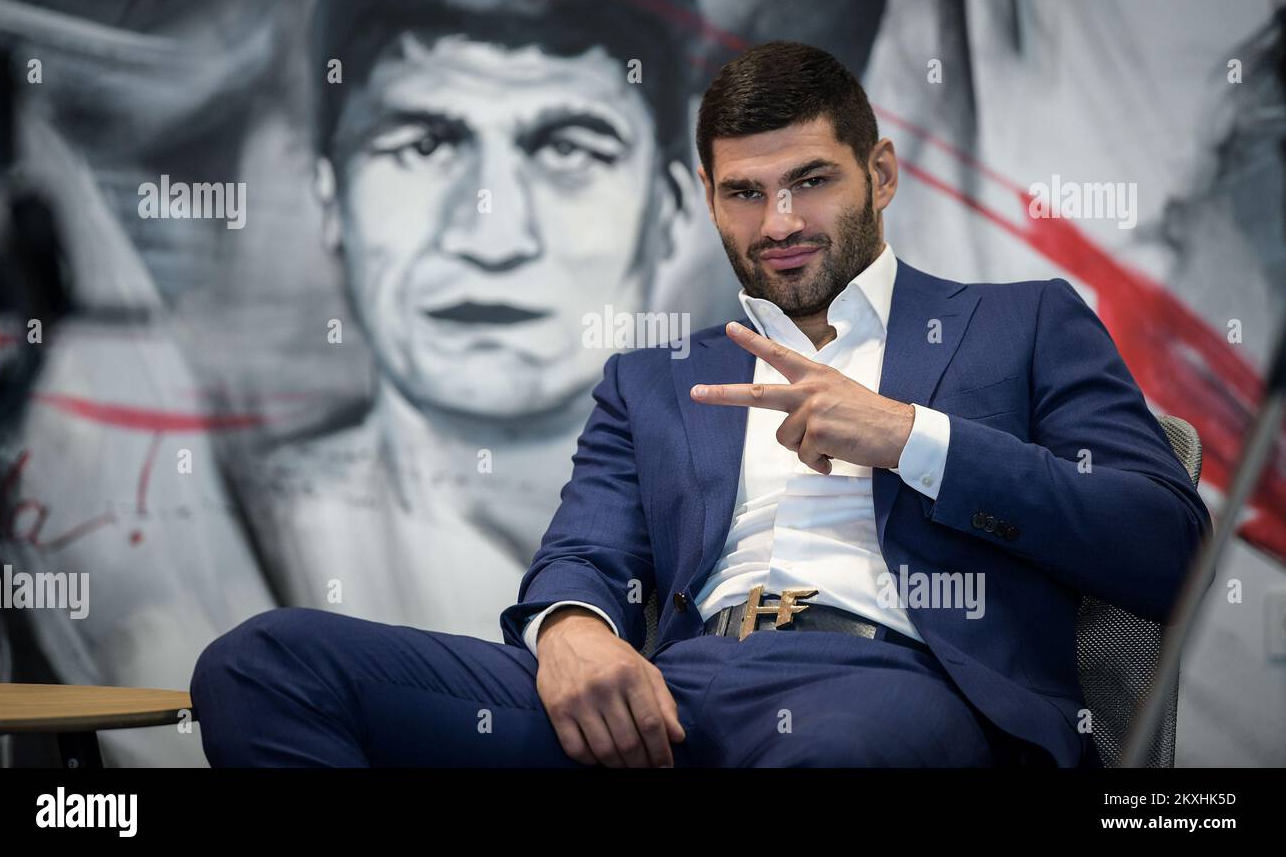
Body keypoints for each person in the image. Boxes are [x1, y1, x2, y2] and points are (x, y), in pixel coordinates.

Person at [191, 41, 1209, 767]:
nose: (780, 222)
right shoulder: (653, 376)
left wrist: (911, 437)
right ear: (704, 198)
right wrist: (571, 628)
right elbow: (585, 552)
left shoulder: (1021, 321)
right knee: (266, 665)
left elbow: (1162, 546)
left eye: (811, 181)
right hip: (666, 700)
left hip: (897, 690)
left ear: (881, 174)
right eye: (744, 192)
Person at [231, 0, 711, 641]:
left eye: (568, 149)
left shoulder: (763, 520)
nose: (491, 236)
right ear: (330, 198)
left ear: (673, 209)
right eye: (424, 146)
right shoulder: (230, 537)